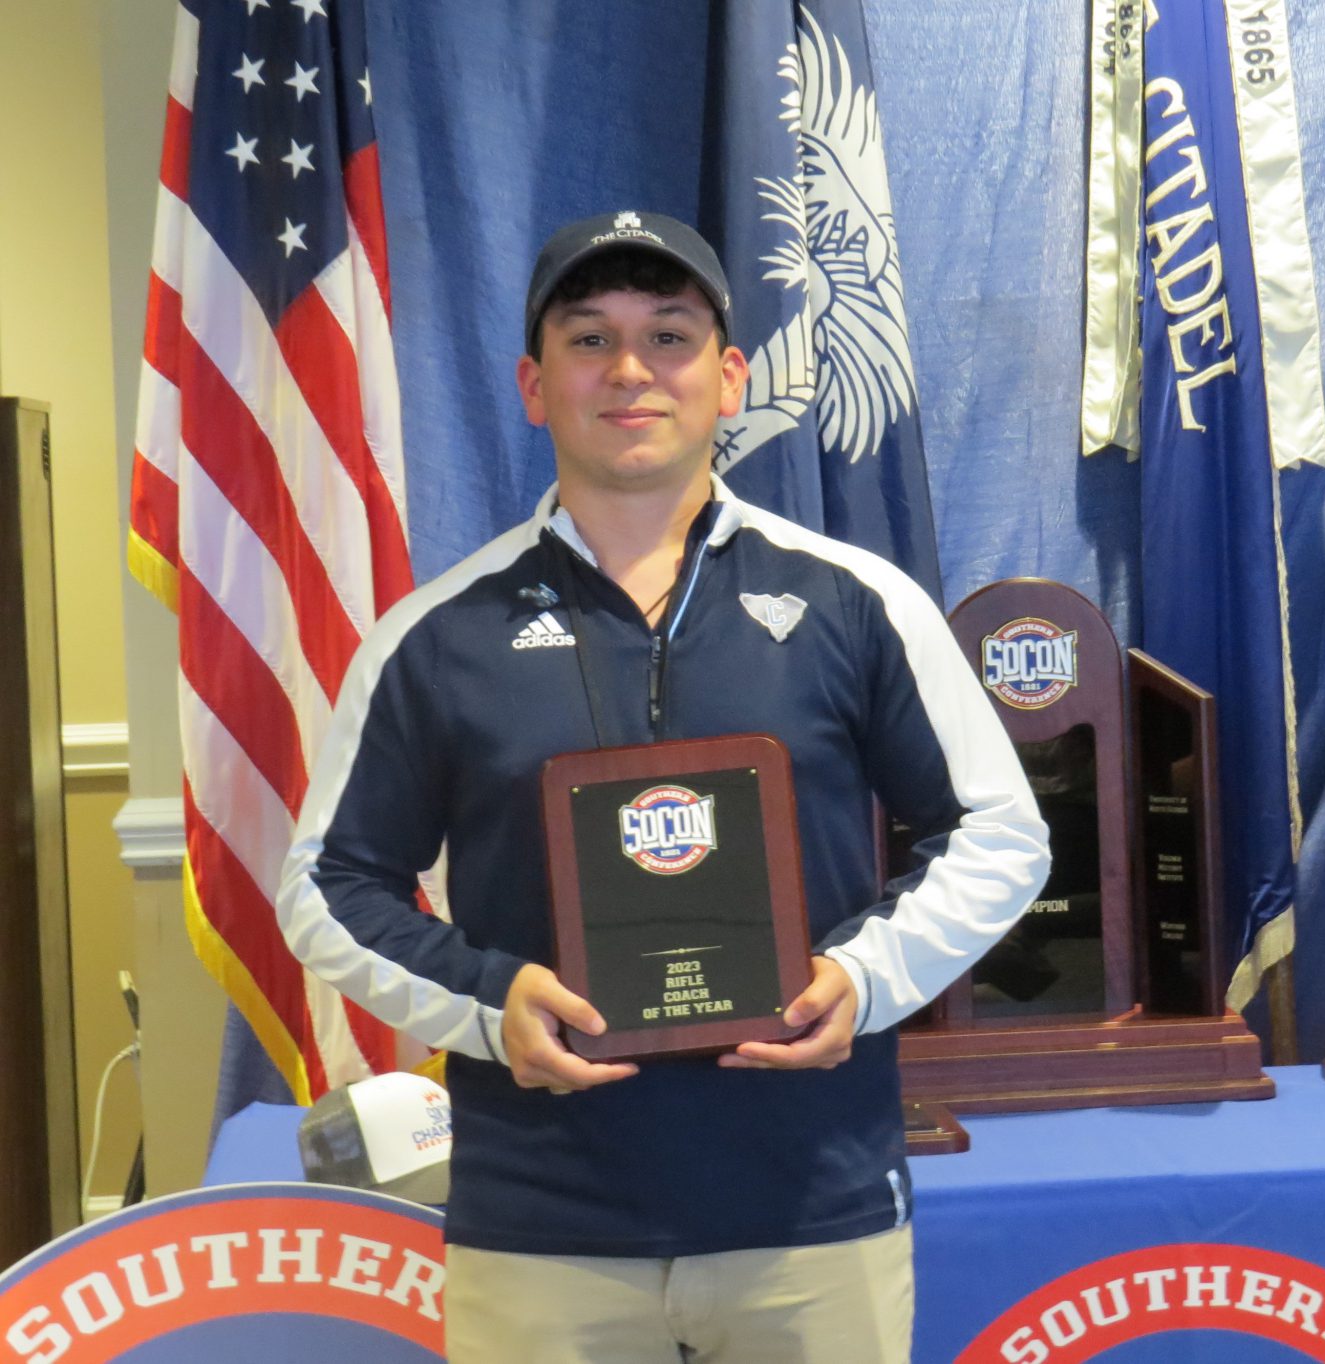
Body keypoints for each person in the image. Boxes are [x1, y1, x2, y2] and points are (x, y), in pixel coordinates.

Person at [277, 209, 1051, 1363]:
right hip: (542, 1226)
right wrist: (489, 1000)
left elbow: (998, 830)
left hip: (809, 1213)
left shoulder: (854, 600)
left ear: (730, 376)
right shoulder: (434, 636)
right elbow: (329, 882)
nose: (630, 370)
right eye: (589, 339)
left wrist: (862, 973)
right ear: (533, 385)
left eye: (671, 336)